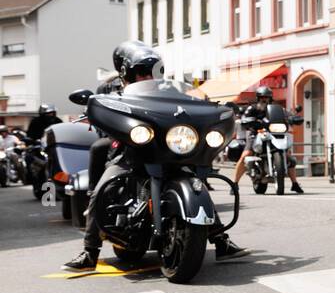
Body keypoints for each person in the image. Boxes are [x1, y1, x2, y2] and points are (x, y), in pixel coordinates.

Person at [63, 41, 249, 270]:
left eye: (149, 72)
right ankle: (89, 251)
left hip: (165, 149)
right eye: (140, 72)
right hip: (130, 152)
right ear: (126, 72)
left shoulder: (169, 91)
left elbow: (187, 107)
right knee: (104, 186)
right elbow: (99, 110)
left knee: (196, 184)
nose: (146, 77)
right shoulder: (110, 90)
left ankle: (221, 240)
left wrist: (210, 108)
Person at [232, 85, 303, 192]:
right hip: (255, 133)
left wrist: (293, 118)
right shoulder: (252, 108)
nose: (264, 99)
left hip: (274, 133)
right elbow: (245, 118)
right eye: (262, 97)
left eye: (266, 97)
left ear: (270, 98)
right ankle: (235, 184)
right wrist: (247, 120)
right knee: (246, 155)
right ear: (258, 98)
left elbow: (287, 115)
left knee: (288, 155)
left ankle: (294, 183)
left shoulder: (278, 109)